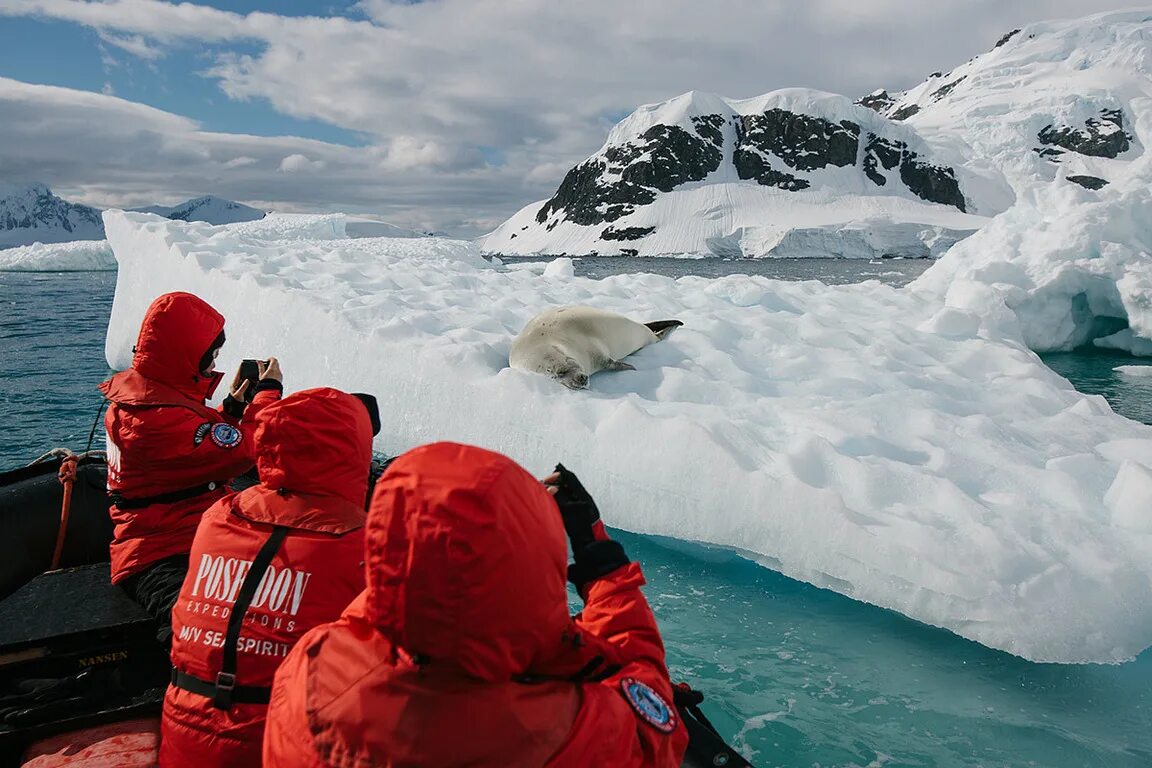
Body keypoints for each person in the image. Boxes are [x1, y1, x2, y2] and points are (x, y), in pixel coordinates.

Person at [262, 442, 688, 768]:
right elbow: (655, 725)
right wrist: (603, 564)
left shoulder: (311, 665)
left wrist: (419, 544)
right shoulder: (552, 730)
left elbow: (399, 602)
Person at [161, 387, 379, 768]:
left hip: (184, 739)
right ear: (354, 452)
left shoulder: (220, 517)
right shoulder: (361, 544)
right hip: (279, 745)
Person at [99, 291, 282, 643]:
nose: (213, 366)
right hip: (160, 555)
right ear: (186, 357)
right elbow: (247, 449)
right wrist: (268, 393)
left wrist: (232, 408)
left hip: (195, 535)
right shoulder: (151, 420)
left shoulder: (148, 402)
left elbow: (194, 447)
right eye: (210, 357)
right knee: (203, 623)